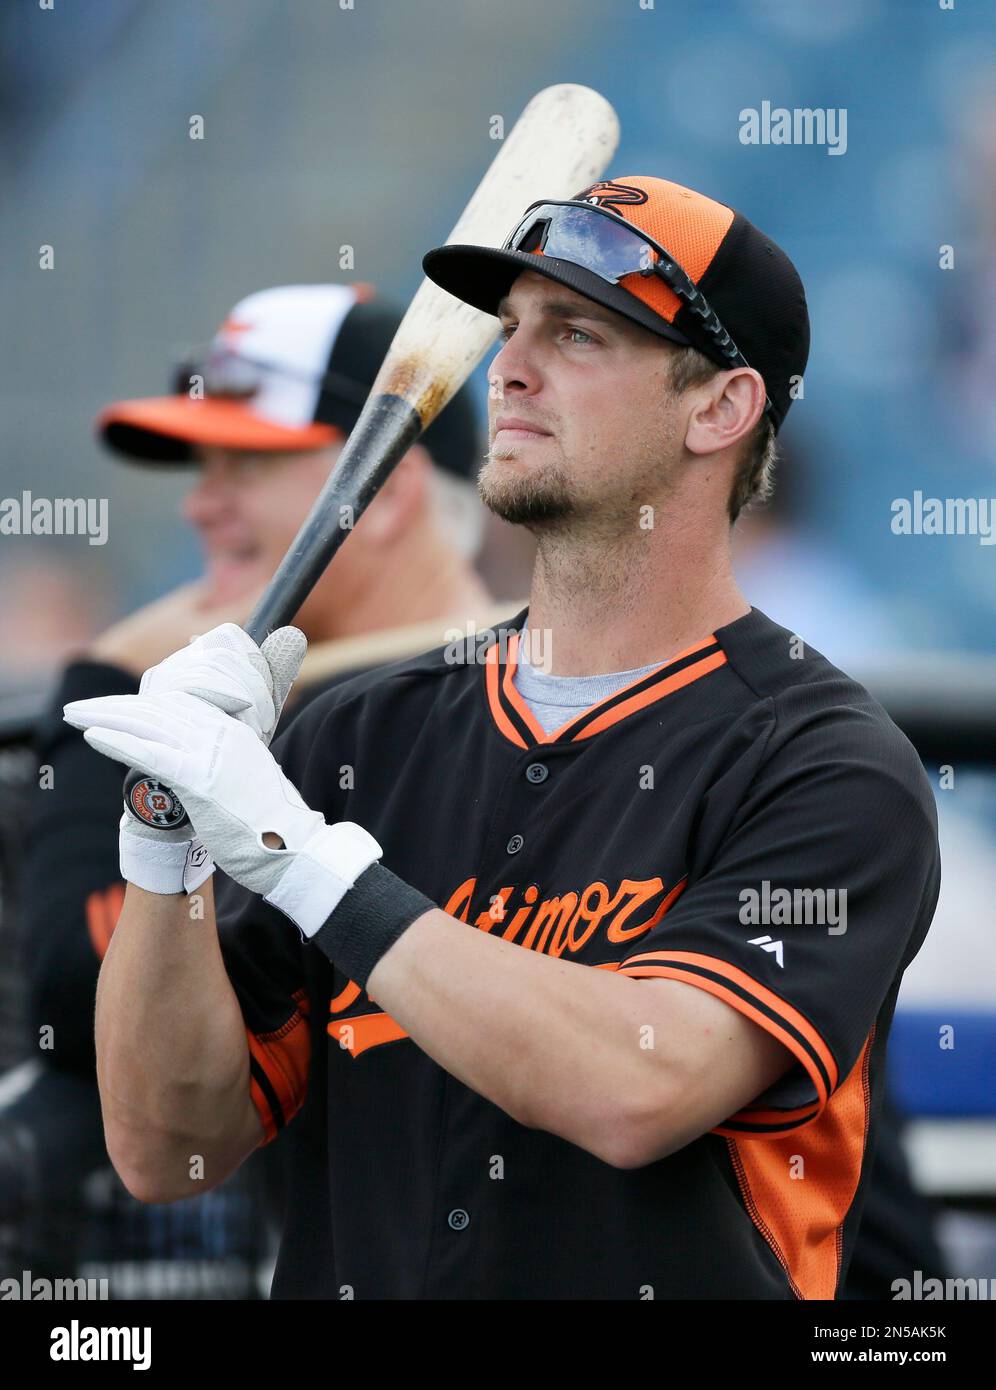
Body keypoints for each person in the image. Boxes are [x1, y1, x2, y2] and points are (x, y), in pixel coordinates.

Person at [65, 176, 942, 1300]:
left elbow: (641, 1085)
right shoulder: (359, 733)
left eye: (577, 332)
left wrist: (308, 859)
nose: (509, 368)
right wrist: (163, 845)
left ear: (721, 407)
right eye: (512, 327)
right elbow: (166, 1144)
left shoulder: (827, 764)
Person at [8, 283, 504, 1285]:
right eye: (203, 463)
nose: (200, 502)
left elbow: (76, 971)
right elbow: (78, 993)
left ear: (387, 490)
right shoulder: (254, 704)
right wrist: (110, 679)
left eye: (249, 464)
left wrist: (106, 673)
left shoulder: (523, 714)